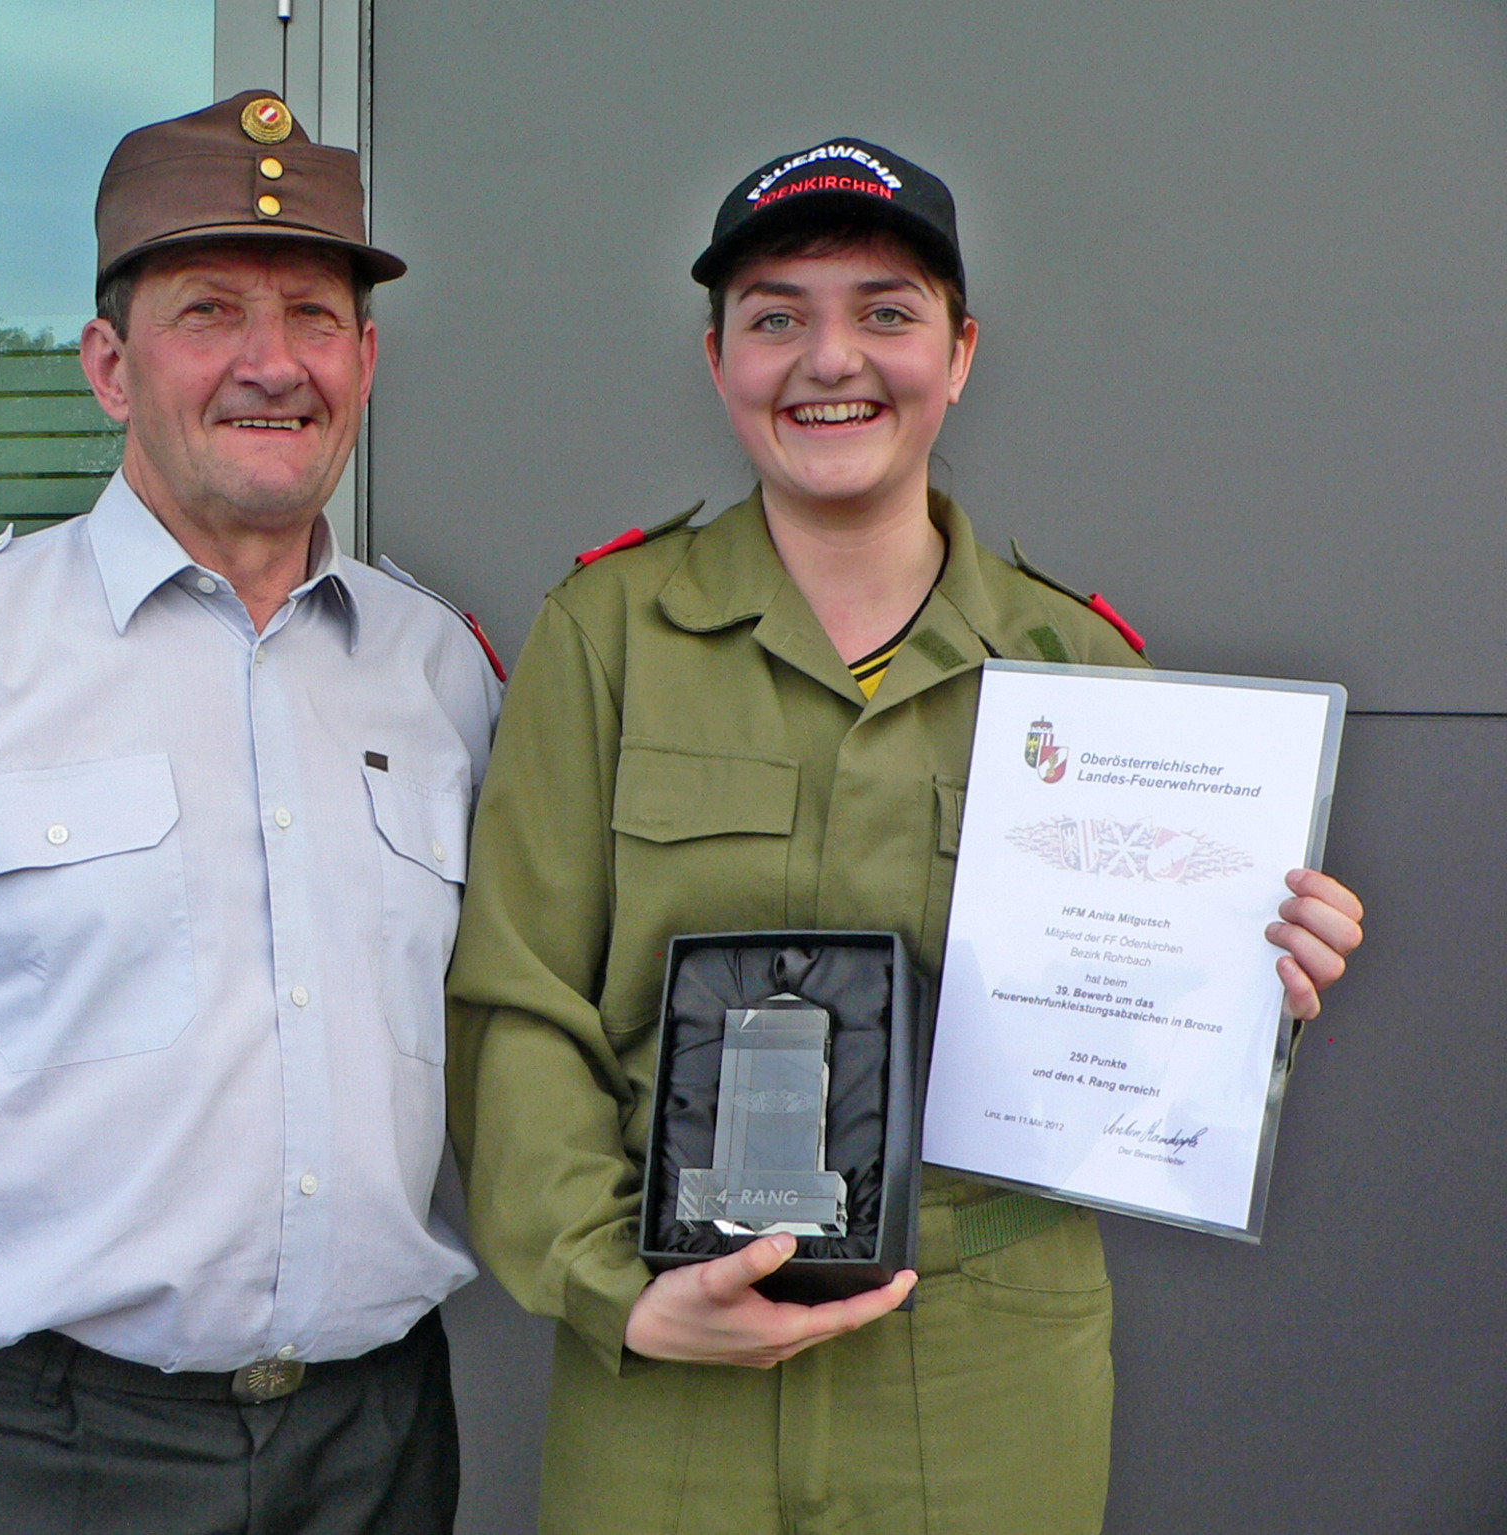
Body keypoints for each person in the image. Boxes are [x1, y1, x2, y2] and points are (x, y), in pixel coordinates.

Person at [445, 136, 1364, 1533]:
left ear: (962, 349)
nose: (832, 360)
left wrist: (1265, 988)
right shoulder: (611, 633)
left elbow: (1148, 1039)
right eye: (776, 317)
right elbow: (520, 996)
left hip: (984, 1369)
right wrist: (614, 1290)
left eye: (886, 311)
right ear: (717, 360)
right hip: (671, 1352)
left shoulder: (1079, 672)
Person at [0, 90, 501, 1535]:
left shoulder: (440, 669)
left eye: (314, 316)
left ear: (365, 362)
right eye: (207, 312)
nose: (271, 363)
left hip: (377, 1446)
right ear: (110, 366)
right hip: (40, 1456)